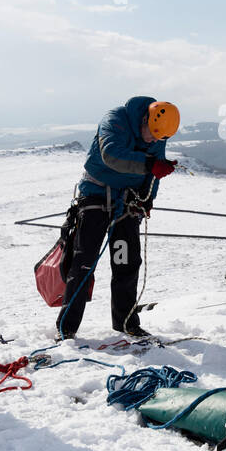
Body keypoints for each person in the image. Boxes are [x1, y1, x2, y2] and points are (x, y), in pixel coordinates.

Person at [58, 96, 180, 339]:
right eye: (151, 135)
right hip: (96, 196)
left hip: (127, 203)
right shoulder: (115, 121)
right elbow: (112, 155)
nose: (153, 141)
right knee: (84, 262)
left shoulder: (158, 131)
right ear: (145, 119)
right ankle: (67, 327)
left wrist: (148, 199)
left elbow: (153, 173)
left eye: (159, 139)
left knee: (126, 263)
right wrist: (149, 165)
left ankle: (126, 322)